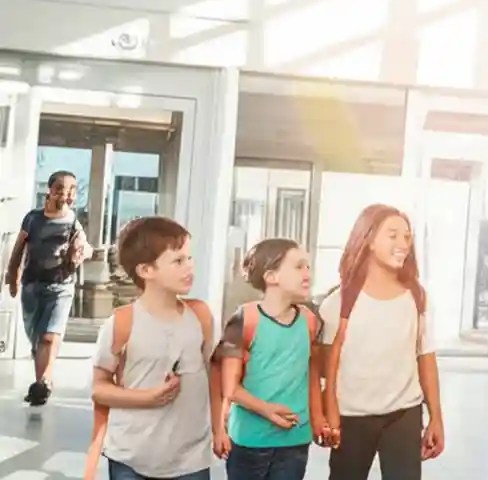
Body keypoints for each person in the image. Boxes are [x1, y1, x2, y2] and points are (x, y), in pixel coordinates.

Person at [89, 217, 226, 480]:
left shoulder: (202, 316)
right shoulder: (120, 323)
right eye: (178, 261)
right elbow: (99, 388)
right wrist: (148, 398)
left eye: (189, 258)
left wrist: (220, 428)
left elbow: (214, 377)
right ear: (145, 270)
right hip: (131, 457)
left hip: (190, 459)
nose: (189, 267)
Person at [319, 204, 444, 480]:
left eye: (407, 237)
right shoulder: (338, 302)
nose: (403, 244)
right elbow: (328, 369)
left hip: (404, 415)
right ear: (369, 240)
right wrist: (329, 417)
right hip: (351, 417)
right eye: (393, 235)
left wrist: (436, 417)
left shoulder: (417, 298)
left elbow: (426, 358)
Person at [217, 239, 324, 480]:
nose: (307, 272)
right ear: (271, 276)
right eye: (298, 266)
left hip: (296, 440)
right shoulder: (245, 319)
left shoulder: (310, 320)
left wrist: (318, 418)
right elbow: (230, 388)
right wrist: (266, 410)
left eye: (308, 266)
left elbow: (312, 375)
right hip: (250, 441)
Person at [4, 170, 89, 406]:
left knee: (50, 337)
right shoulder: (33, 218)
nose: (66, 193)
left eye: (72, 189)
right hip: (32, 285)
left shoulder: (73, 221)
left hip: (61, 286)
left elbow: (84, 247)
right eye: (61, 188)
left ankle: (43, 383)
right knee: (36, 338)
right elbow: (19, 248)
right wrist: (12, 275)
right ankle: (41, 380)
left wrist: (79, 252)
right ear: (50, 190)